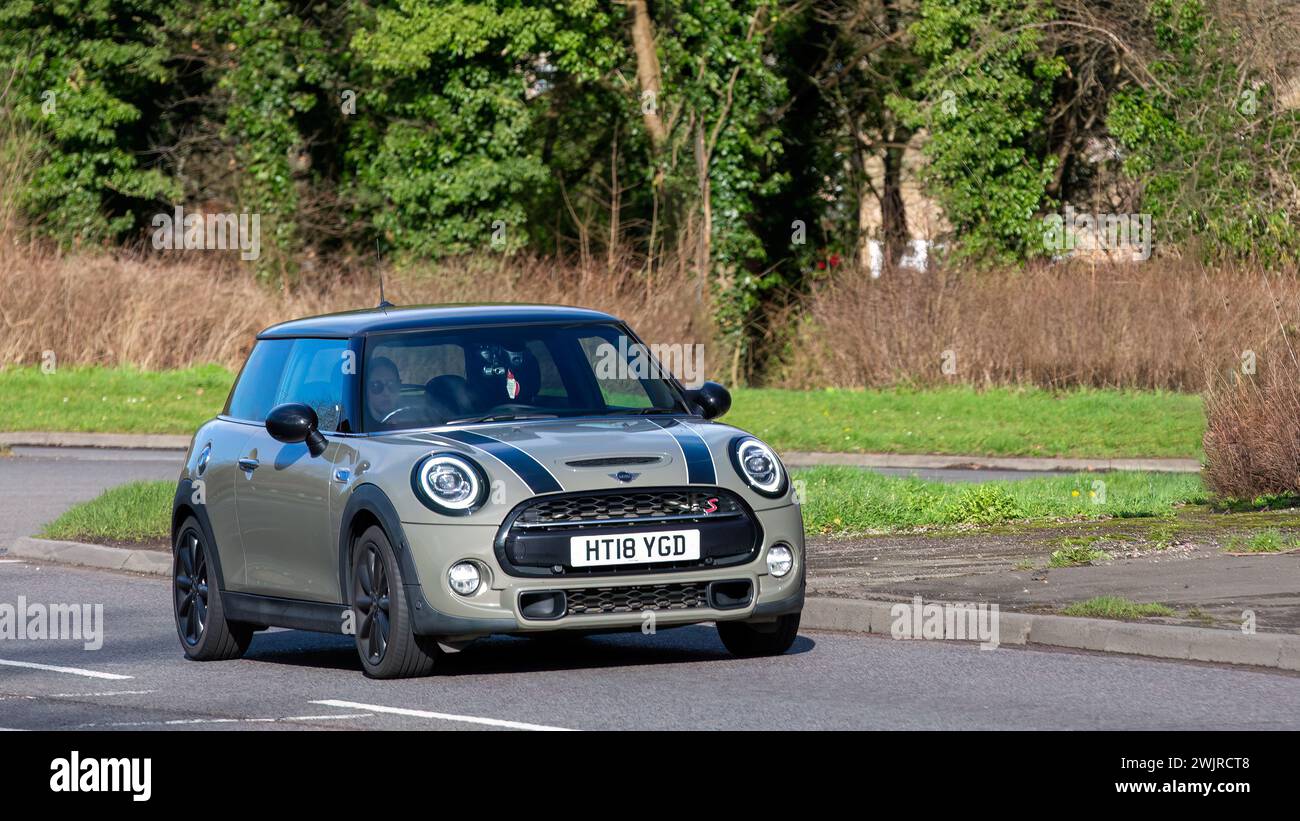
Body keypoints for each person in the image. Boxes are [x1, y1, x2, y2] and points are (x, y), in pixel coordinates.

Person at [366, 357, 402, 426]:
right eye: (376, 386)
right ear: (366, 390)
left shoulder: (414, 419)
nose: (386, 393)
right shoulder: (356, 425)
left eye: (392, 385)